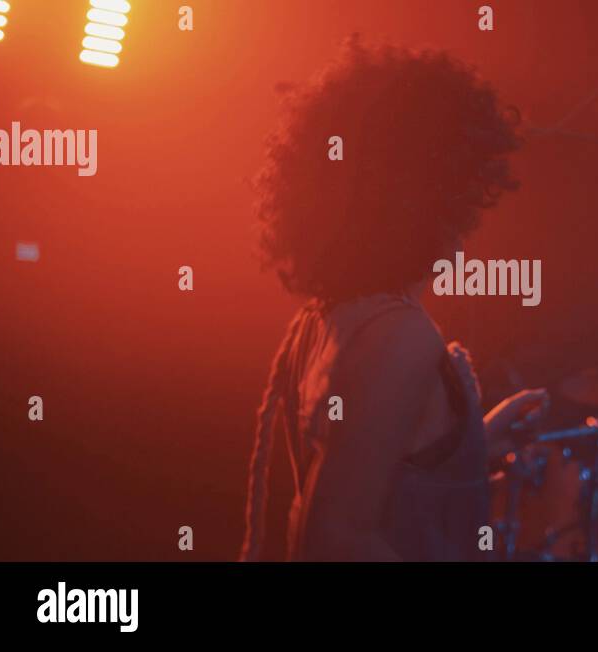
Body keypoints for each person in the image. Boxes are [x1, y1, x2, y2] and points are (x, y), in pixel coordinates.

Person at [239, 37, 548, 561]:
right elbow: (336, 537)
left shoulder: (328, 319)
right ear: (432, 191)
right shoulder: (398, 336)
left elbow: (373, 468)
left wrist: (470, 444)